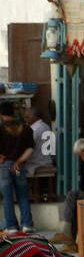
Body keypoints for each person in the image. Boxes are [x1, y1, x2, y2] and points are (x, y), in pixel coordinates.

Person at [54, 139, 84, 243]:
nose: (82, 158)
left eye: (80, 156)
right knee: (74, 199)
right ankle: (69, 235)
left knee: (72, 196)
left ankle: (66, 233)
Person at [0, 101, 36, 235]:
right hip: (18, 166)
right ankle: (27, 225)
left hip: (4, 166)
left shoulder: (1, 128)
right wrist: (20, 160)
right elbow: (31, 148)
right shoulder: (26, 128)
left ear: (1, 114)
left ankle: (12, 227)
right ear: (14, 112)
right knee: (23, 195)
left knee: (7, 198)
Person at [23, 107, 53, 175]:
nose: (25, 120)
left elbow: (28, 147)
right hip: (47, 161)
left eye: (27, 117)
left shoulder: (34, 129)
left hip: (36, 163)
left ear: (35, 117)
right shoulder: (46, 126)